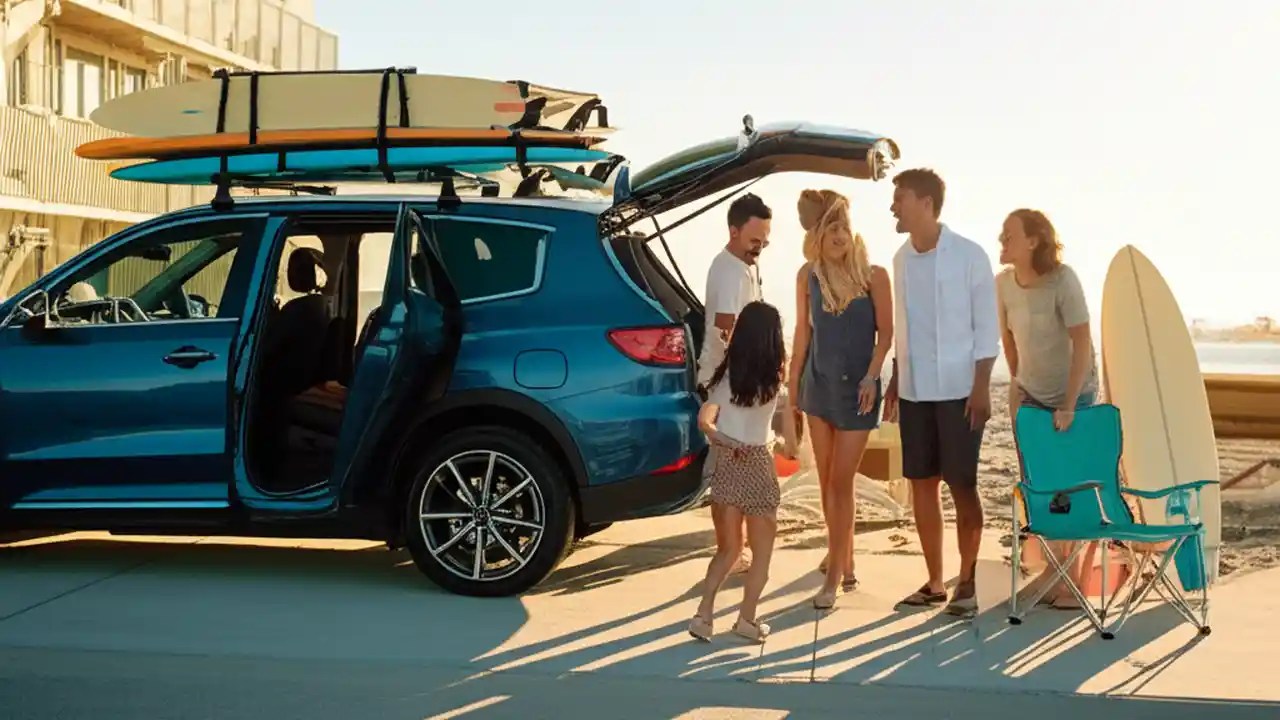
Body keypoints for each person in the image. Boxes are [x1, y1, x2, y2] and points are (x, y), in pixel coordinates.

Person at [882, 168, 999, 618]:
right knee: (921, 485)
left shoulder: (970, 256)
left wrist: (982, 386)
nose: (894, 206)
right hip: (915, 391)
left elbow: (985, 328)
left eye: (901, 198)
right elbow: (905, 326)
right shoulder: (899, 259)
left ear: (926, 203)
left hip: (960, 391)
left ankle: (966, 584)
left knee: (963, 485)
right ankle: (934, 583)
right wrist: (896, 379)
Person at [788, 189, 893, 609]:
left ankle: (834, 575)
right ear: (816, 234)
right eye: (830, 227)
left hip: (858, 391)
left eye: (844, 227)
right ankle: (841, 559)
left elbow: (885, 335)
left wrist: (872, 376)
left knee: (840, 482)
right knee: (826, 480)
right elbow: (802, 333)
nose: (839, 235)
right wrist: (792, 387)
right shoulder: (806, 276)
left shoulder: (874, 275)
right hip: (818, 386)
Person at [997, 208, 1100, 609]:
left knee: (1067, 487)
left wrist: (1070, 404)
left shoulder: (1063, 280)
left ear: (1033, 241)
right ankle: (1056, 573)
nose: (1002, 242)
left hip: (1076, 393)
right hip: (1031, 395)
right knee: (1038, 486)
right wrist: (1017, 385)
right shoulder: (1002, 284)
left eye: (1009, 236)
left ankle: (1070, 582)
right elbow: (1008, 339)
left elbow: (1081, 342)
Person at [688, 301, 786, 643]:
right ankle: (747, 619)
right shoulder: (773, 378)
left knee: (728, 550)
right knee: (762, 554)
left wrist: (725, 440)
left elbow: (705, 421)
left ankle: (704, 615)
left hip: (728, 464)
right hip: (759, 464)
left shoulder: (725, 379)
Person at [697, 193, 772, 575]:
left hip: (742, 381)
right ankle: (728, 549)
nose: (760, 248)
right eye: (754, 240)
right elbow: (726, 330)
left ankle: (733, 549)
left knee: (737, 467)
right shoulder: (727, 270)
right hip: (726, 382)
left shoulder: (745, 266)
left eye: (765, 241)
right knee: (727, 472)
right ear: (734, 231)